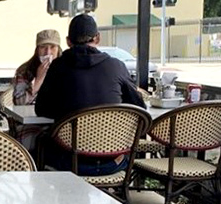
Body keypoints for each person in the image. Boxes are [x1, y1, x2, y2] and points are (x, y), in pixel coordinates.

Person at [35, 13, 146, 175]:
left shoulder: (58, 67)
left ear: (68, 42)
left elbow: (41, 109)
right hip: (112, 161)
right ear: (98, 38)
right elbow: (139, 108)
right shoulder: (117, 67)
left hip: (69, 162)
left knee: (42, 142)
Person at [12, 29, 62, 105]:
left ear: (58, 50)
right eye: (43, 47)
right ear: (37, 50)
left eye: (52, 47)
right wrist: (38, 81)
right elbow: (19, 102)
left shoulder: (66, 68)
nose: (48, 52)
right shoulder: (25, 71)